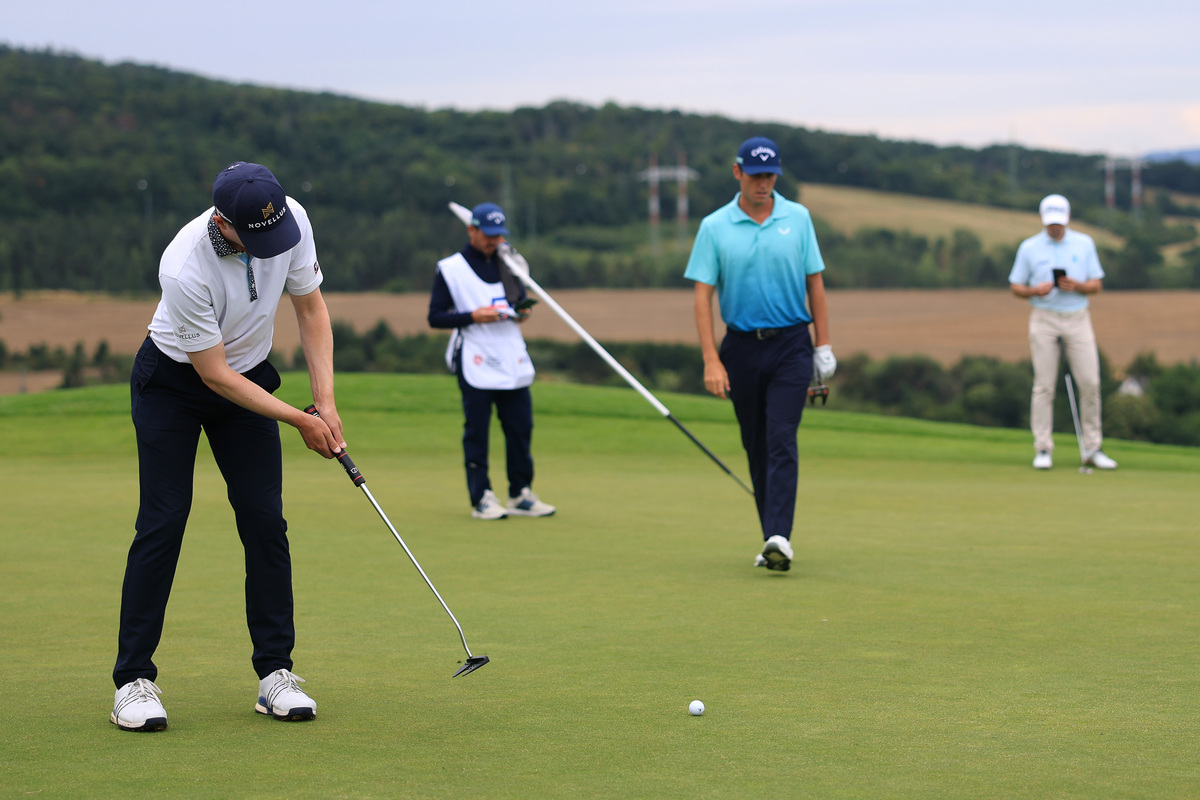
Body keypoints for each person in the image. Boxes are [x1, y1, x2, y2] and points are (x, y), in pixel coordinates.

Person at [111, 162, 347, 732]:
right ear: (224, 222)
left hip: (247, 376)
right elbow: (213, 376)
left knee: (265, 518)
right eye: (256, 240)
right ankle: (133, 681)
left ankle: (276, 673)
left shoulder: (290, 222)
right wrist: (298, 419)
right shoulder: (185, 264)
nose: (271, 251)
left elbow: (311, 308)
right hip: (174, 383)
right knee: (164, 519)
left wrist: (326, 402)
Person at [684, 137, 836, 572]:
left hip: (791, 344)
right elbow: (702, 297)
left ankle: (779, 535)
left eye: (770, 175)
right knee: (755, 444)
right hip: (741, 348)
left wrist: (822, 346)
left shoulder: (798, 217)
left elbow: (816, 284)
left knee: (781, 437)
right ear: (738, 173)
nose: (763, 183)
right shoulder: (715, 226)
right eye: (755, 175)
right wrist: (711, 359)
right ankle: (772, 536)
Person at [428, 202, 556, 520]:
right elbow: (436, 317)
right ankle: (482, 496)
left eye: (499, 236)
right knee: (478, 430)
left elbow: (517, 305)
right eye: (488, 235)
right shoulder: (450, 268)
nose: (494, 241)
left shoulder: (509, 264)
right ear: (472, 230)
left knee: (520, 427)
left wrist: (522, 312)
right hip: (475, 358)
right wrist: (474, 316)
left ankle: (520, 492)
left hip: (512, 357)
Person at [1009, 194, 1117, 471]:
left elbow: (1097, 284)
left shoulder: (1085, 243)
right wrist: (1036, 290)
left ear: (1067, 219)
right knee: (1044, 386)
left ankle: (1093, 448)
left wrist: (1077, 285)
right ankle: (1043, 448)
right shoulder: (1029, 247)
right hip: (1044, 318)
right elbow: (1016, 287)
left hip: (1078, 317)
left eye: (1058, 223)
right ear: (1043, 221)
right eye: (1050, 224)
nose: (1054, 228)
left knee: (1090, 383)